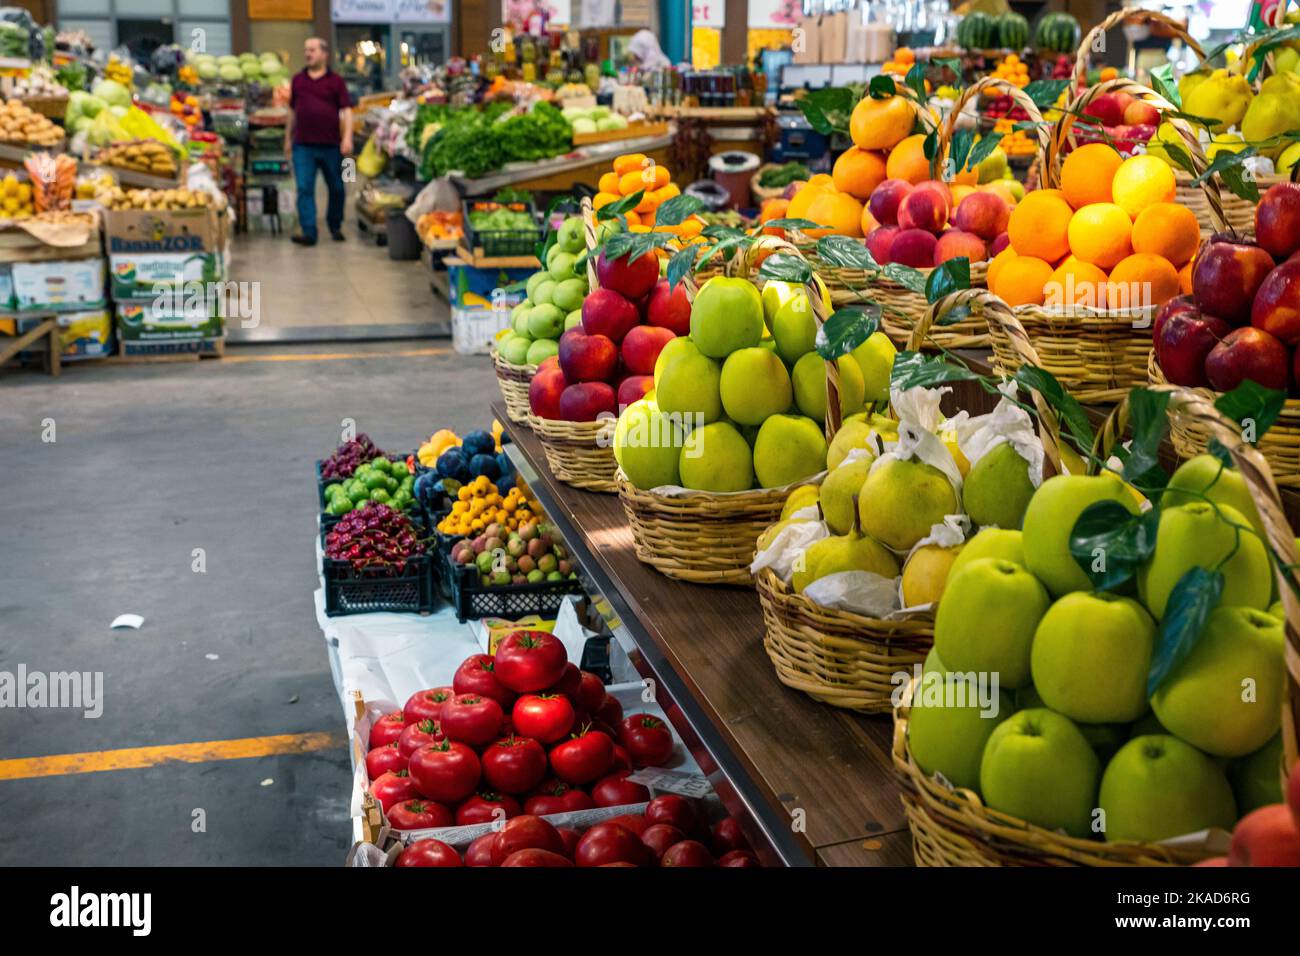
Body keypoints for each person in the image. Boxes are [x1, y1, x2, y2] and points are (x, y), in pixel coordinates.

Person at [286, 37, 353, 246]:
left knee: (337, 188)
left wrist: (348, 137)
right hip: (303, 145)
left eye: (313, 50)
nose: (308, 54)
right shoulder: (298, 80)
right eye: (306, 50)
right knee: (304, 188)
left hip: (331, 145)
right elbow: (292, 111)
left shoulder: (336, 81)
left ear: (324, 54)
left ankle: (335, 225)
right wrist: (287, 137)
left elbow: (346, 110)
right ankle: (309, 231)